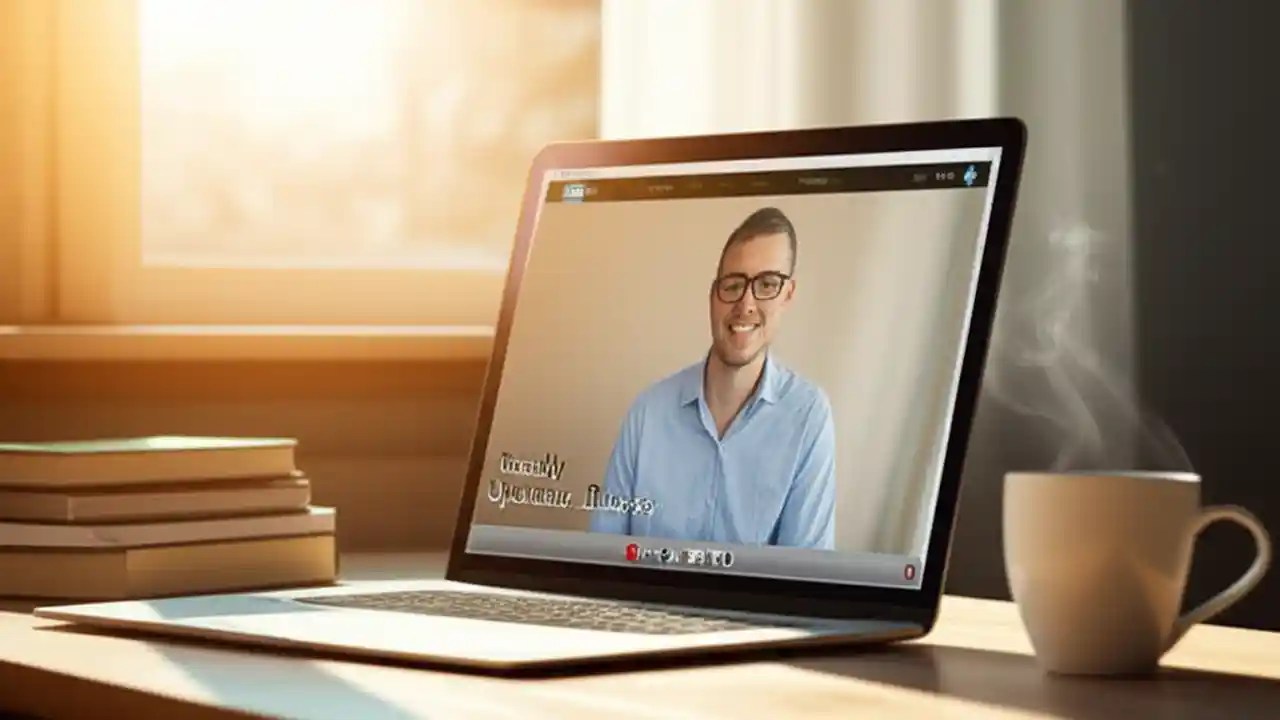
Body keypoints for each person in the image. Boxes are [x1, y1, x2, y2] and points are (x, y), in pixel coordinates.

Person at [591, 207, 837, 549]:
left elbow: (804, 572)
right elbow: (602, 552)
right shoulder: (647, 413)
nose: (746, 304)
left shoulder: (808, 417)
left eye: (767, 284)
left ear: (787, 295)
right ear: (713, 297)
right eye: (733, 285)